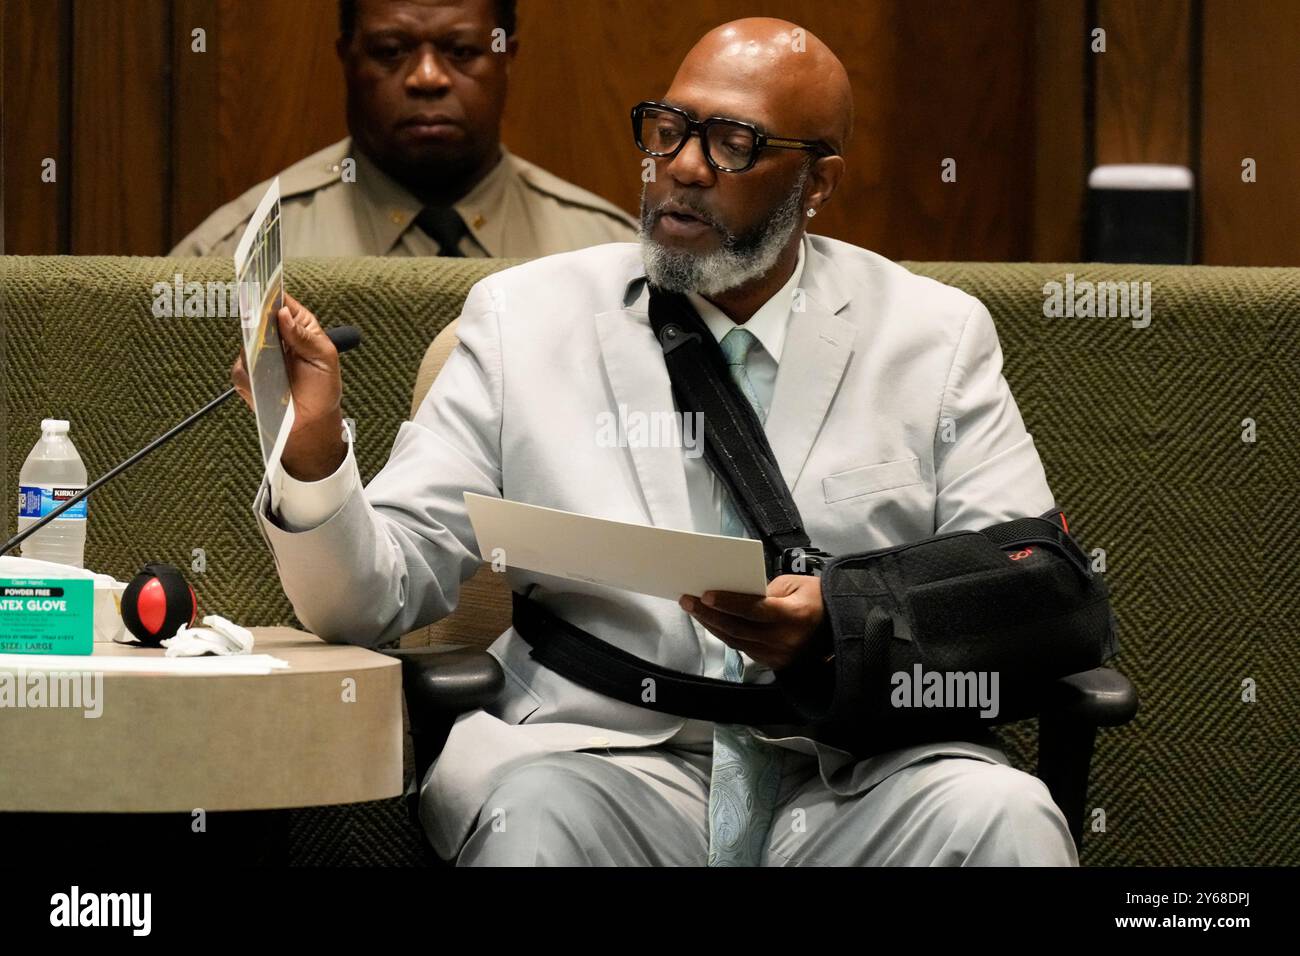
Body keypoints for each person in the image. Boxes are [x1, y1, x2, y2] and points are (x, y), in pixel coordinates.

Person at [234, 18, 1079, 866]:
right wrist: (311, 457)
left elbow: (1024, 587)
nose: (681, 167)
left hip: (860, 777)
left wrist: (846, 623)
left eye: (733, 145)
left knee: (1009, 817)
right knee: (534, 818)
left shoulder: (933, 338)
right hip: (603, 768)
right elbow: (373, 596)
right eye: (668, 131)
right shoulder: (523, 320)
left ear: (817, 184)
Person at [173, 0, 635, 257]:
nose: (427, 77)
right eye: (391, 50)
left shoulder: (609, 252)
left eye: (461, 50)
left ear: (505, 58)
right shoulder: (239, 255)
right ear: (347, 58)